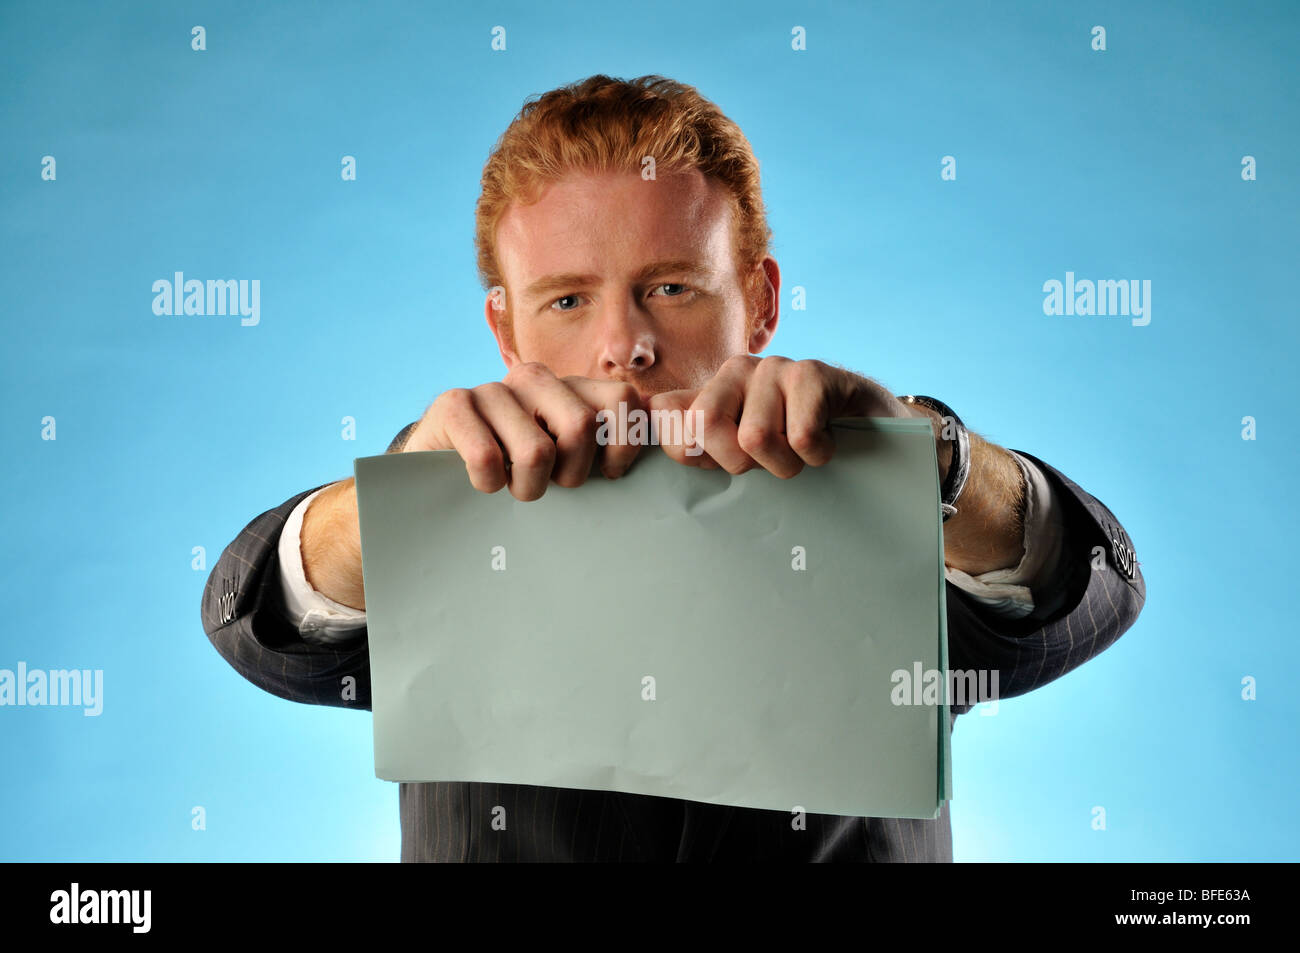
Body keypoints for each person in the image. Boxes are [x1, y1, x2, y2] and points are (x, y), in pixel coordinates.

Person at [201, 74, 1145, 861]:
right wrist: (397, 493)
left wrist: (929, 461)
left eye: (671, 288)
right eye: (568, 299)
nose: (625, 347)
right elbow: (260, 627)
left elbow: (1089, 595)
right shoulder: (452, 498)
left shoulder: (874, 494)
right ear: (505, 329)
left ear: (760, 302)